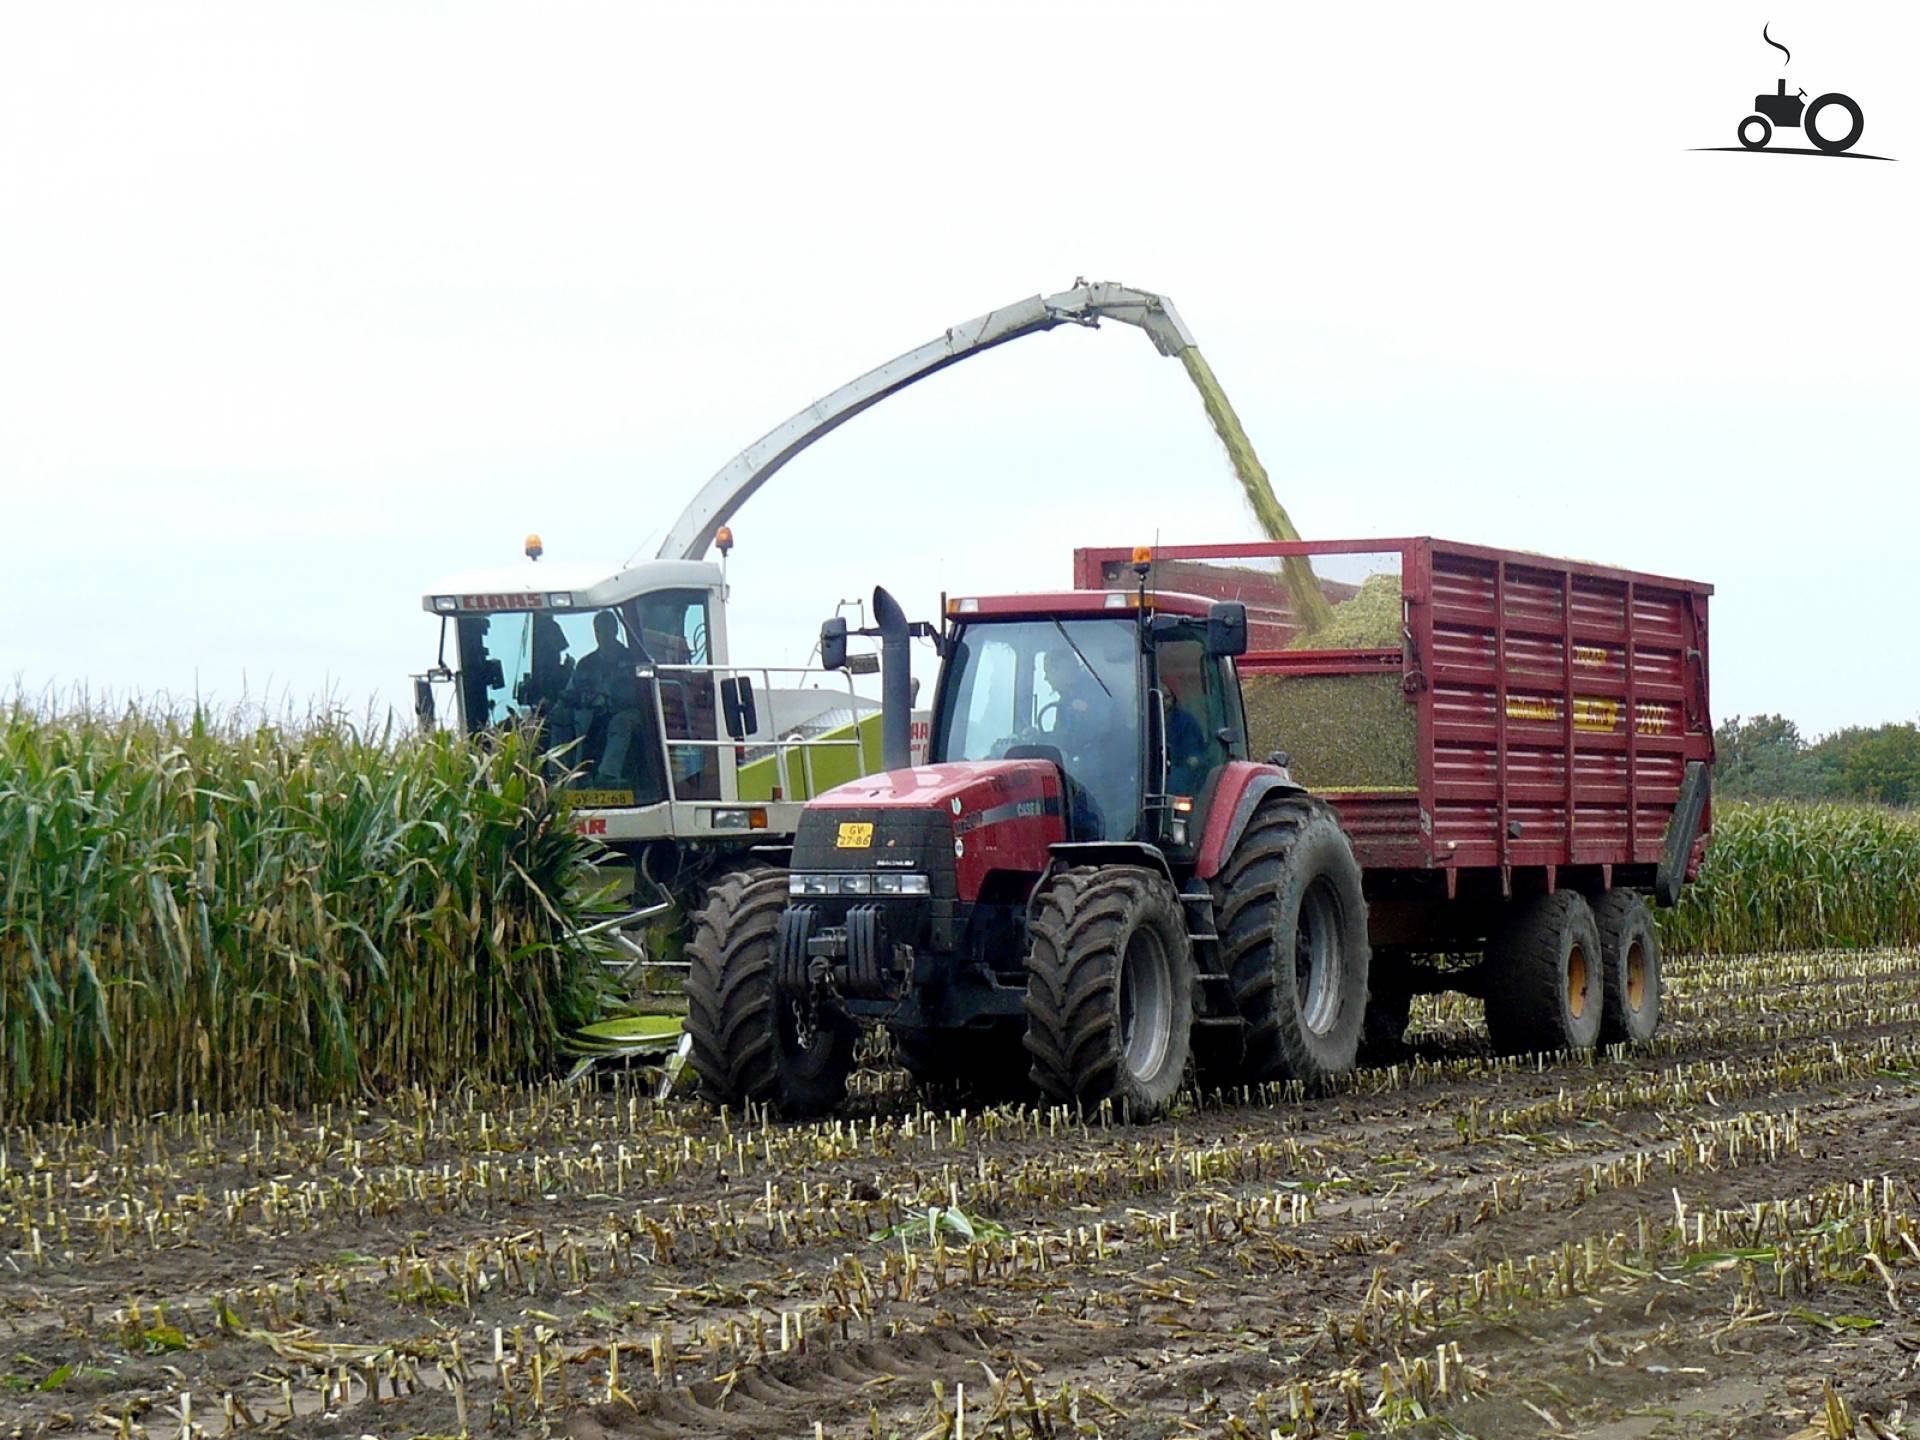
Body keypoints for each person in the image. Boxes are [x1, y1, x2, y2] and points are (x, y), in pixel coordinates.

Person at [566, 611, 640, 782]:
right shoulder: (585, 664)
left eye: (607, 630)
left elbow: (640, 695)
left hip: (629, 713)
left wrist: (611, 699)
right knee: (565, 719)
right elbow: (572, 692)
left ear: (615, 630)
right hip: (592, 713)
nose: (603, 635)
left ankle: (607, 776)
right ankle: (566, 777)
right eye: (599, 631)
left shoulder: (632, 659)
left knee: (620, 723)